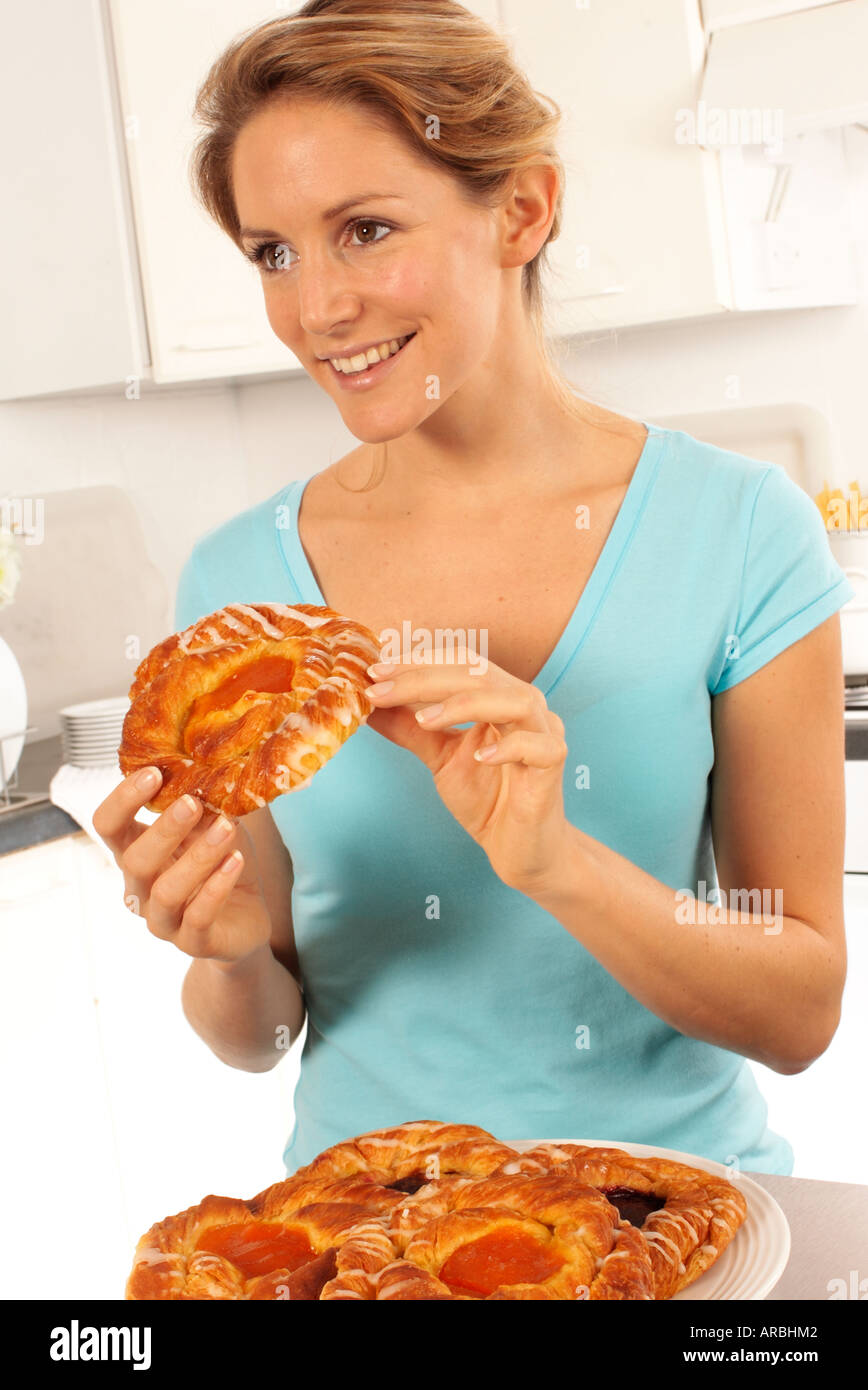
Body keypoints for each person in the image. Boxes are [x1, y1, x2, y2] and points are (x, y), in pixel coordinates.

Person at [94, 0, 853, 1178]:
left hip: (679, 1221)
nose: (317, 307)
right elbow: (260, 1036)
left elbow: (798, 1014)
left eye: (365, 228)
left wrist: (556, 860)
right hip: (363, 1232)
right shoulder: (239, 590)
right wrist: (233, 956)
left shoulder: (740, 530)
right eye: (273, 252)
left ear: (521, 208)